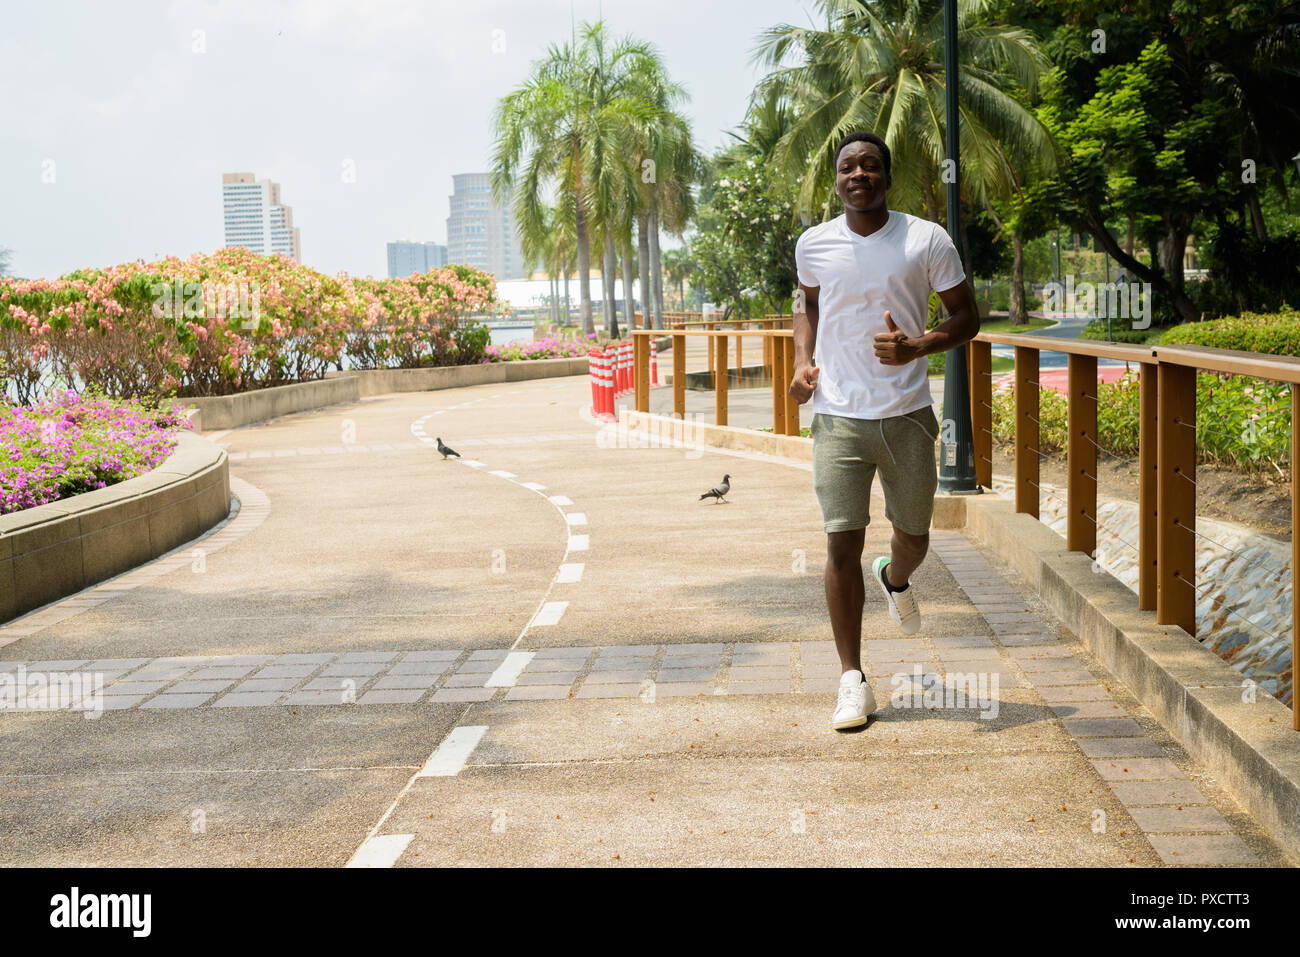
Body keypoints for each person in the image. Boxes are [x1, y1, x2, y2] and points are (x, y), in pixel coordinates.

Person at [790, 131, 980, 731]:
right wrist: (802, 360)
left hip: (904, 413)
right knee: (840, 543)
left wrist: (919, 345)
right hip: (838, 416)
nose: (858, 174)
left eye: (870, 165)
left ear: (886, 177)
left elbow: (967, 317)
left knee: (914, 538)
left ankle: (894, 578)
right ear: (837, 178)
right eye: (848, 166)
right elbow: (807, 304)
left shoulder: (926, 238)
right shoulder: (814, 243)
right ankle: (853, 680)